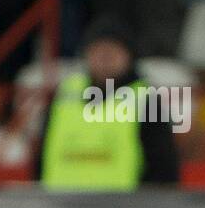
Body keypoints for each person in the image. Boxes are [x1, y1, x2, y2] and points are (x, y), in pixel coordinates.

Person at [36, 15, 182, 189]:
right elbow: (41, 157)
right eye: (98, 52)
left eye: (112, 52)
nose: (104, 59)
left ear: (129, 56)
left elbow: (163, 168)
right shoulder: (65, 95)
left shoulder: (145, 100)